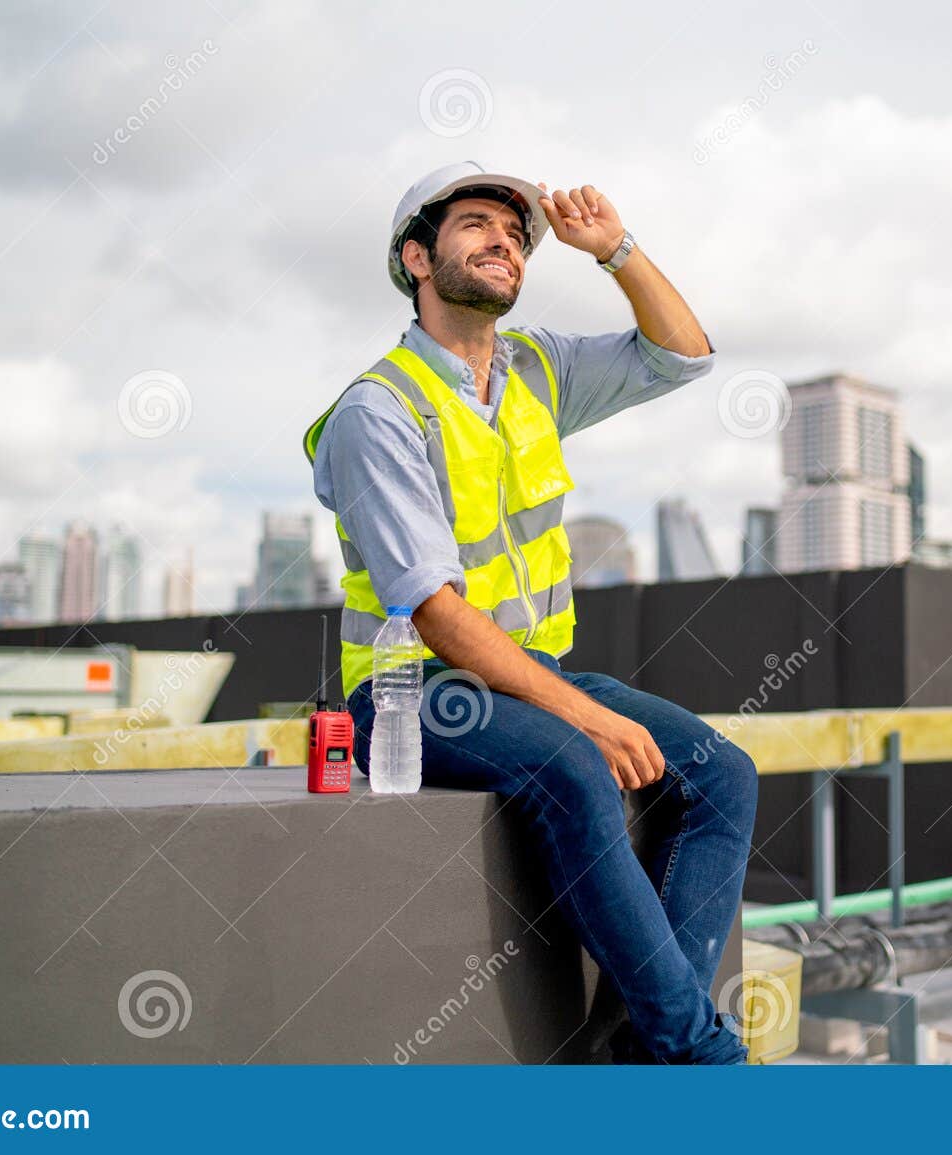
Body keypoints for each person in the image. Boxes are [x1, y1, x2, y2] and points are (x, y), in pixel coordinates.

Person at [304, 162, 758, 1064]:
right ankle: (703, 1057)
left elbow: (684, 355)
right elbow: (431, 609)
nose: (503, 241)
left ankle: (638, 1050)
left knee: (724, 774)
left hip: (533, 678)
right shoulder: (379, 410)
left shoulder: (536, 370)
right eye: (474, 225)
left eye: (514, 234)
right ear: (417, 259)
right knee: (577, 765)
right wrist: (588, 716)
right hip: (416, 693)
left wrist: (616, 251)